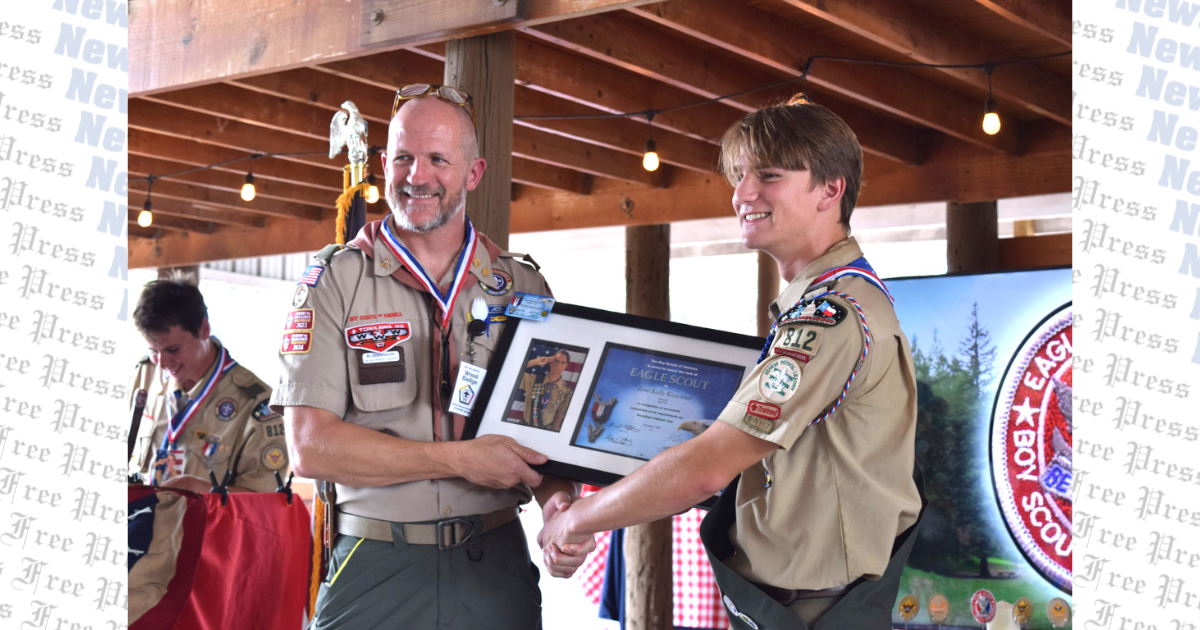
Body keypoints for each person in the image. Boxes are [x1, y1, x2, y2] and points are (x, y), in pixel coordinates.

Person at [539, 95, 925, 630]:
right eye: (739, 176)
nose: (743, 194)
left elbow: (706, 469)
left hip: (818, 613)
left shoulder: (832, 316)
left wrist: (578, 517)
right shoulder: (822, 302)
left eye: (768, 175)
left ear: (831, 190)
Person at [271, 83, 592, 629]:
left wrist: (561, 506)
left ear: (473, 173)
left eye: (437, 159)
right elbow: (310, 448)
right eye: (402, 157)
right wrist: (461, 459)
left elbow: (548, 437)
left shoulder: (522, 287)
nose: (416, 176)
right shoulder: (333, 283)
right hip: (373, 566)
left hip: (495, 563)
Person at [127, 276, 287, 494]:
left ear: (204, 329)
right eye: (153, 351)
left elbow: (264, 504)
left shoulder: (258, 405)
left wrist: (199, 491)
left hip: (205, 527)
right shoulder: (144, 375)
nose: (163, 363)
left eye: (173, 350)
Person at [517, 349, 574, 431]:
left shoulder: (566, 391)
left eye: (562, 362)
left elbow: (560, 413)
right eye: (556, 361)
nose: (558, 365)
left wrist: (553, 433)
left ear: (566, 366)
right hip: (523, 426)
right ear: (551, 362)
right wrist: (536, 361)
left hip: (544, 430)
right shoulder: (533, 380)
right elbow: (513, 370)